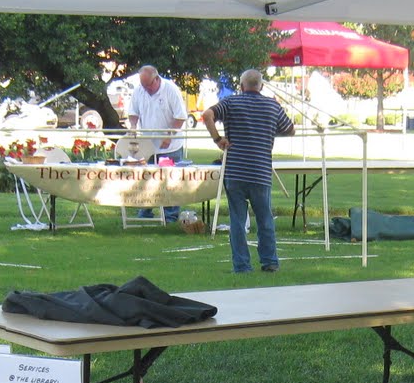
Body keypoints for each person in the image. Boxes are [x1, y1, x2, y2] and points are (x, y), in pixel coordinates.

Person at [200, 69, 295, 273]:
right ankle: (269, 262)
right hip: (260, 171)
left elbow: (207, 115)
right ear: (260, 86)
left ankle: (242, 266)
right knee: (265, 219)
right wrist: (268, 128)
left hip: (235, 171)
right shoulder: (272, 105)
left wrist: (218, 139)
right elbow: (290, 129)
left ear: (241, 86)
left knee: (237, 221)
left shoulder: (231, 103)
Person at [126, 64, 189, 223]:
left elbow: (180, 117)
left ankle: (170, 216)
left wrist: (169, 135)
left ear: (156, 79)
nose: (146, 88)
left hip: (170, 146)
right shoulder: (139, 91)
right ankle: (145, 212)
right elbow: (133, 112)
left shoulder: (170, 89)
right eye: (143, 85)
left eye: (148, 85)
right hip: (147, 145)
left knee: (170, 181)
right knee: (146, 179)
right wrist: (133, 127)